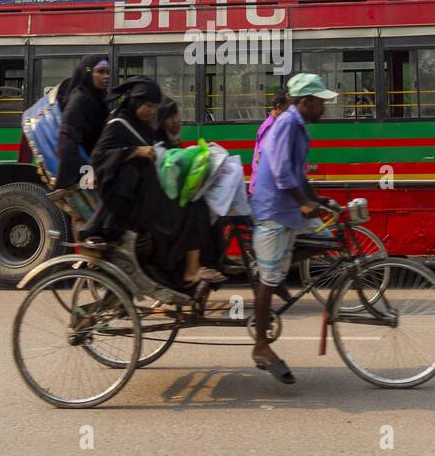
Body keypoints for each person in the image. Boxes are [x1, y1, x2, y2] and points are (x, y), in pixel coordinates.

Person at [248, 73, 341, 385]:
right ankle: (261, 345)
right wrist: (303, 202)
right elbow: (280, 170)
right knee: (269, 278)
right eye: (320, 102)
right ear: (305, 102)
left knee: (326, 238)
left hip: (288, 205)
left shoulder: (297, 124)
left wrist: (319, 200)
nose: (324, 108)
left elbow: (298, 172)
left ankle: (277, 267)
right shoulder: (287, 124)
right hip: (274, 208)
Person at [85, 77, 221, 289]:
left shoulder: (140, 125)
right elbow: (97, 158)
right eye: (148, 106)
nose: (152, 112)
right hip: (130, 200)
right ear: (136, 101)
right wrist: (135, 151)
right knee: (192, 212)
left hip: (148, 194)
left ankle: (189, 273)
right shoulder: (119, 124)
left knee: (197, 205)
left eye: (155, 108)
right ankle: (186, 273)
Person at [54, 54, 111, 190]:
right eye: (100, 72)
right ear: (87, 72)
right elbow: (67, 142)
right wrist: (86, 173)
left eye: (108, 72)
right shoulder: (79, 101)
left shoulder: (98, 98)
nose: (106, 76)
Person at [248, 92, 289, 194]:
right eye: (288, 109)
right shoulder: (271, 127)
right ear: (279, 107)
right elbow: (260, 159)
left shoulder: (273, 123)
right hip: (265, 190)